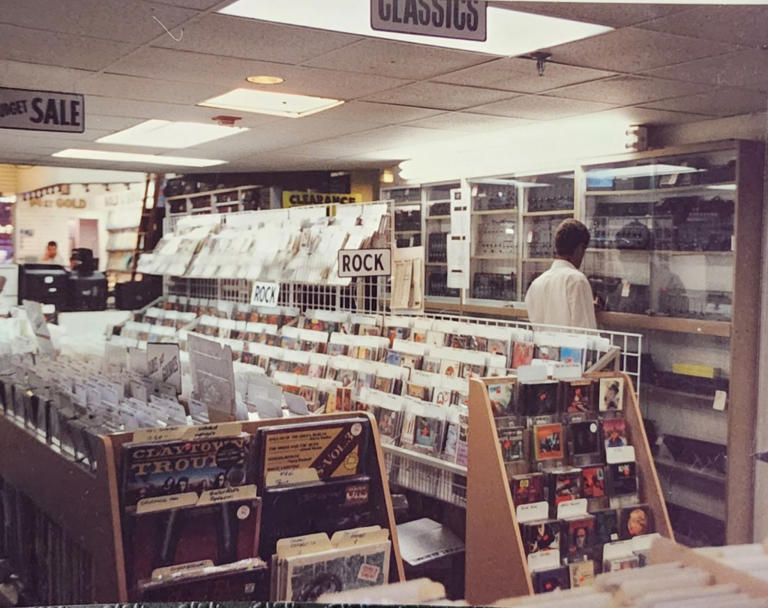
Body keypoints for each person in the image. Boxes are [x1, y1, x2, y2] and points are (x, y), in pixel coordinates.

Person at [524, 219, 597, 329]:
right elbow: (585, 334)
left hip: (543, 346)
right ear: (579, 249)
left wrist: (587, 306)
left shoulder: (536, 284)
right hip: (570, 347)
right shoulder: (577, 280)